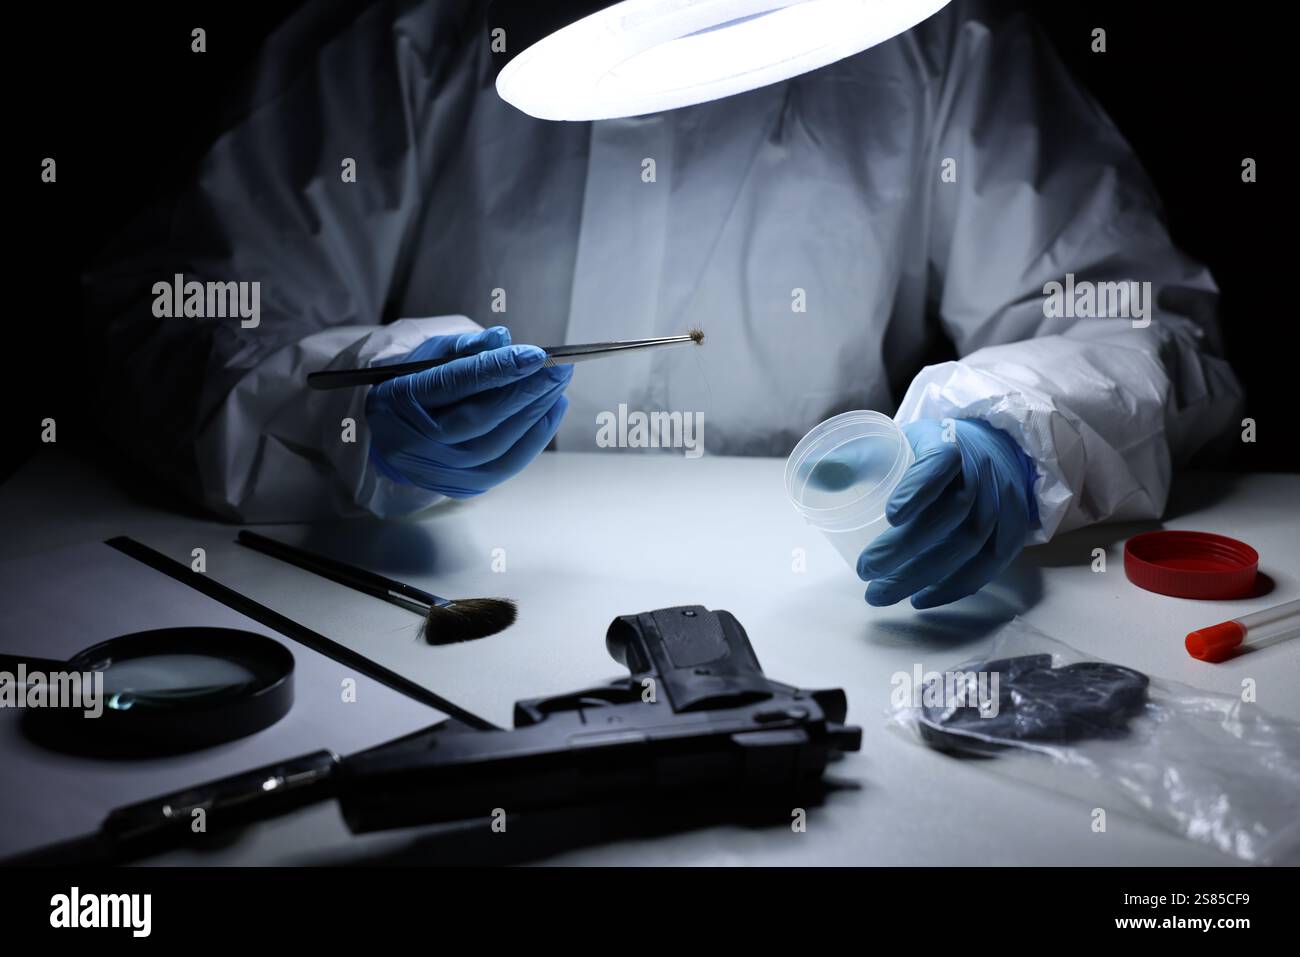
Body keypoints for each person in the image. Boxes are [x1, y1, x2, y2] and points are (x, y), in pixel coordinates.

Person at [83, 0, 1242, 608]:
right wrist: (356, 407)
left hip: (821, 621)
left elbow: (1134, 321)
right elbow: (177, 323)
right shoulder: (408, 35)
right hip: (434, 602)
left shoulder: (937, 43)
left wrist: (1017, 430)